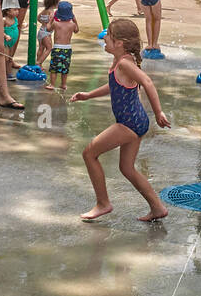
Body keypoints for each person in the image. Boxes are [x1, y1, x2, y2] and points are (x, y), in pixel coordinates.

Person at [70, 18, 170, 222]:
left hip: (129, 123)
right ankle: (157, 207)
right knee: (126, 168)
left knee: (89, 153)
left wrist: (159, 112)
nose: (104, 38)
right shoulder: (121, 62)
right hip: (135, 121)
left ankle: (103, 203)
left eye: (108, 36)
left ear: (119, 43)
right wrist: (88, 95)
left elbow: (147, 82)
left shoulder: (125, 63)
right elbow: (114, 86)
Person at [45, 1, 78, 93]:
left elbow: (48, 28)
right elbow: (77, 30)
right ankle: (63, 84)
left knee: (54, 68)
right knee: (65, 68)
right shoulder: (72, 24)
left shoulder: (56, 23)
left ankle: (52, 84)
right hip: (67, 49)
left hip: (57, 48)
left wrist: (51, 20)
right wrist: (75, 20)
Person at [37, 0, 60, 67]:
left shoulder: (45, 10)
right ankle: (39, 63)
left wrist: (43, 23)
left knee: (41, 48)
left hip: (41, 30)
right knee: (49, 48)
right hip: (46, 32)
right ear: (55, 3)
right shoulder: (52, 12)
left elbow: (38, 18)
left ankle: (39, 63)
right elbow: (50, 24)